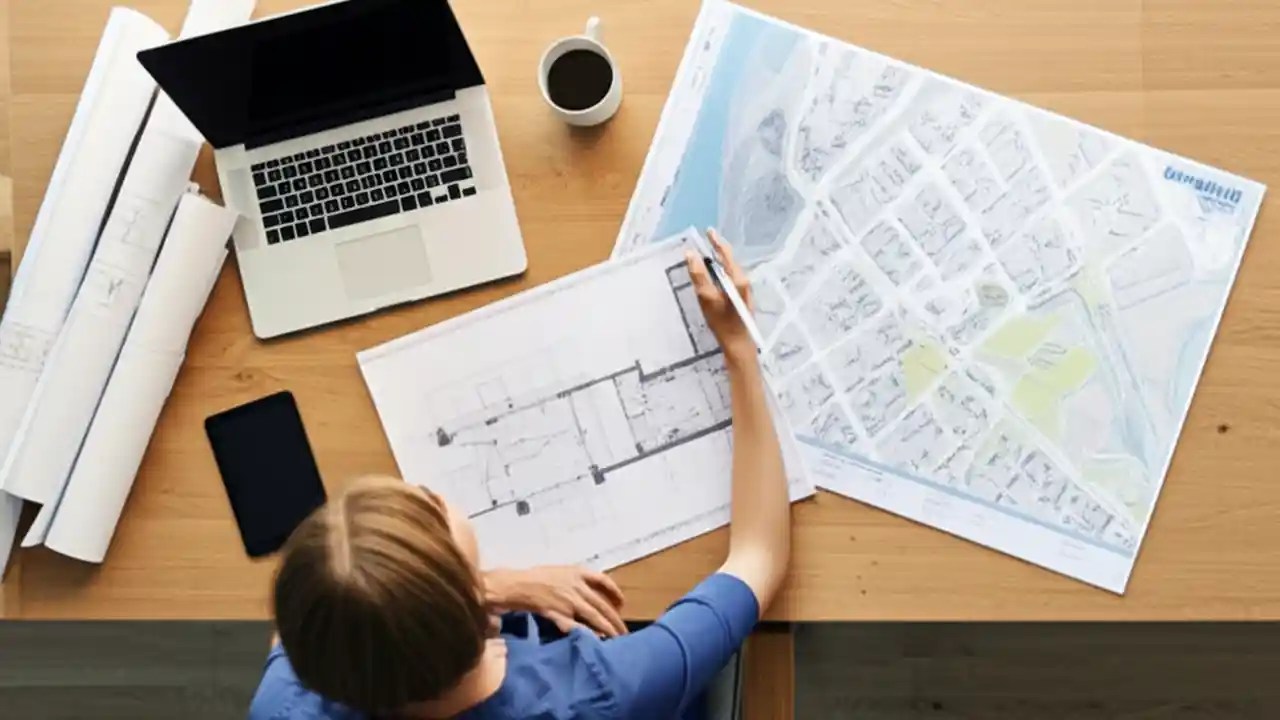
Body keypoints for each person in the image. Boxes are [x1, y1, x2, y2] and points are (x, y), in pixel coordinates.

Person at [249, 230, 791, 720]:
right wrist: (738, 349)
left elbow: (314, 610)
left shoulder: (286, 706)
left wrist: (489, 589)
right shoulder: (598, 692)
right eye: (430, 508)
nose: (432, 492)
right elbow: (758, 558)